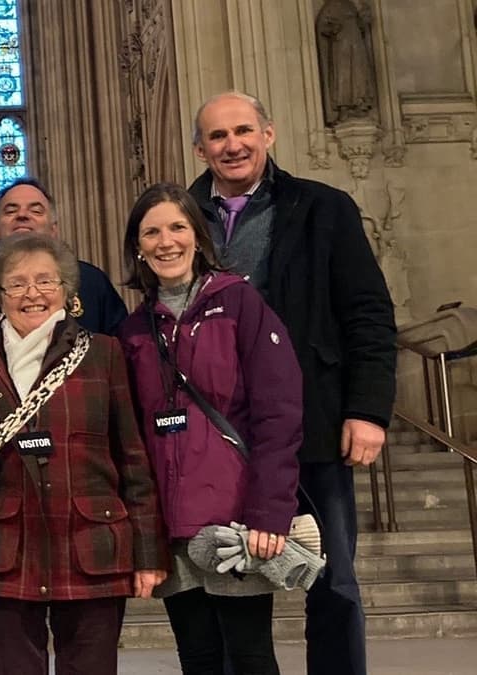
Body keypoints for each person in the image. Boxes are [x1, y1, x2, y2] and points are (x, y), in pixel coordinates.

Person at [189, 91, 396, 675]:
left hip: (314, 422)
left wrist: (369, 409)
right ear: (199, 147)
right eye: (218, 136)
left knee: (332, 577)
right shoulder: (179, 217)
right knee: (224, 579)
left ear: (268, 133)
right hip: (216, 433)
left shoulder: (323, 207)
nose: (232, 145)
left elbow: (367, 313)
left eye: (243, 131)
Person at [0, 232, 166, 675]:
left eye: (45, 281)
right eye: (16, 283)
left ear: (66, 291)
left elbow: (132, 456)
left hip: (90, 540)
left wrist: (148, 553)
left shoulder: (102, 354)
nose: (32, 293)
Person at [118, 183, 303, 674]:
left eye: (177, 227)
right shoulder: (135, 330)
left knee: (249, 655)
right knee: (197, 656)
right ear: (138, 246)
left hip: (236, 517)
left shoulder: (239, 303)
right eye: (151, 232)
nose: (166, 241)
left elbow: (278, 413)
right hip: (172, 520)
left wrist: (270, 511)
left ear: (199, 237)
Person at [0, 177, 128, 335]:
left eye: (35, 211)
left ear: (53, 229)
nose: (22, 215)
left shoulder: (91, 280)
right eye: (11, 211)